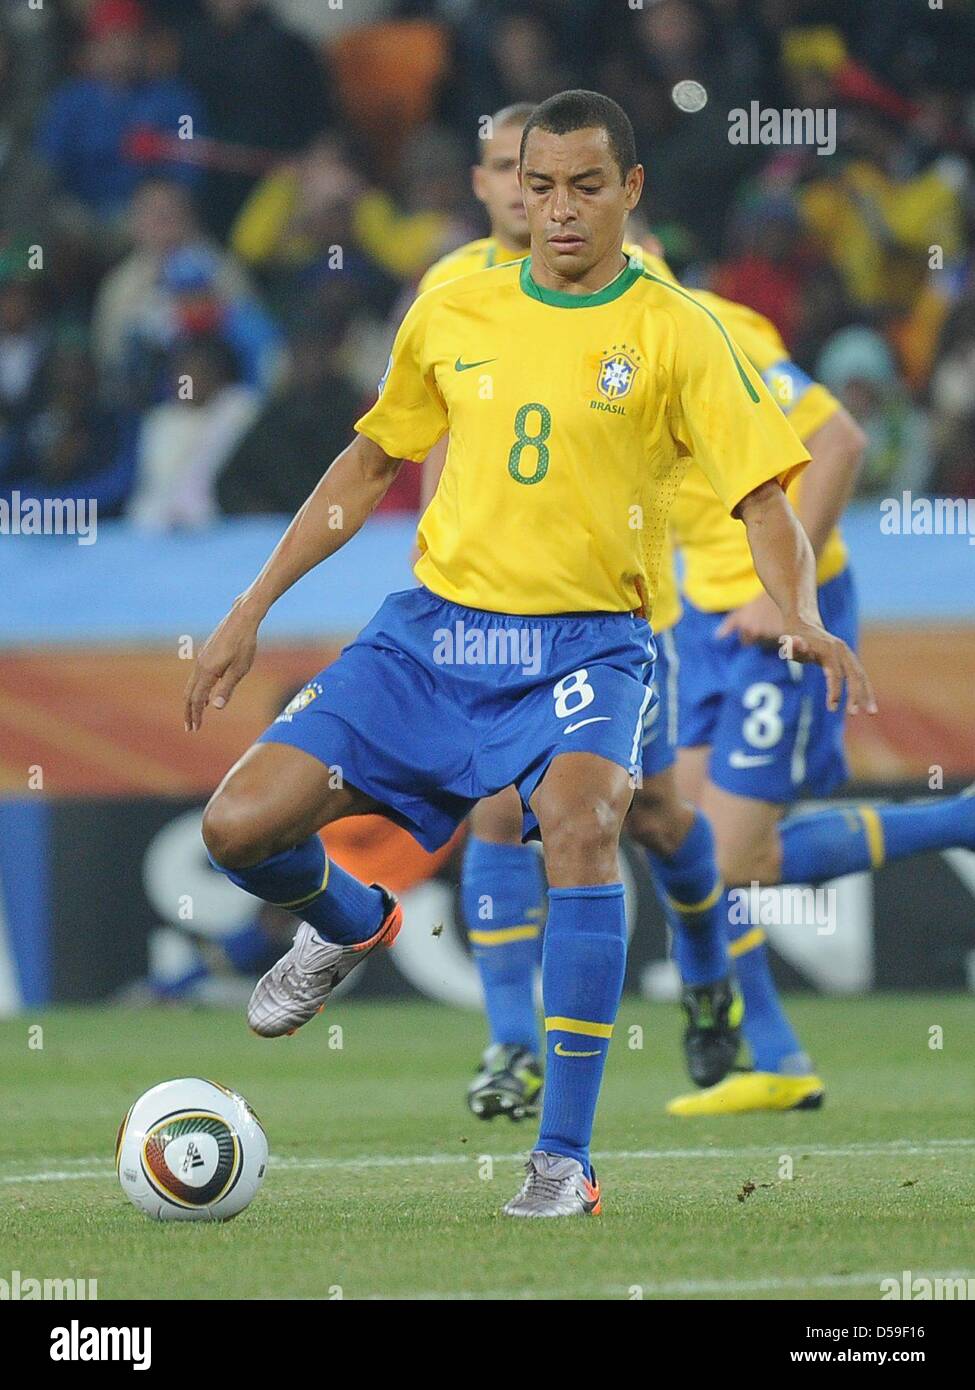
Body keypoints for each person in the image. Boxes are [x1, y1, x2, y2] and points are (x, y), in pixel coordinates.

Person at [185, 90, 871, 1219]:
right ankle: (354, 920)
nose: (557, 209)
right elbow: (366, 468)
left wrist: (794, 608)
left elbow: (765, 497)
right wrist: (252, 603)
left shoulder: (680, 326)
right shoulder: (454, 309)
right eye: (538, 184)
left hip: (590, 646)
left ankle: (563, 1158)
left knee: (588, 822)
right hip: (430, 639)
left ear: (630, 192)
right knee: (236, 827)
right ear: (512, 188)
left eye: (585, 187)